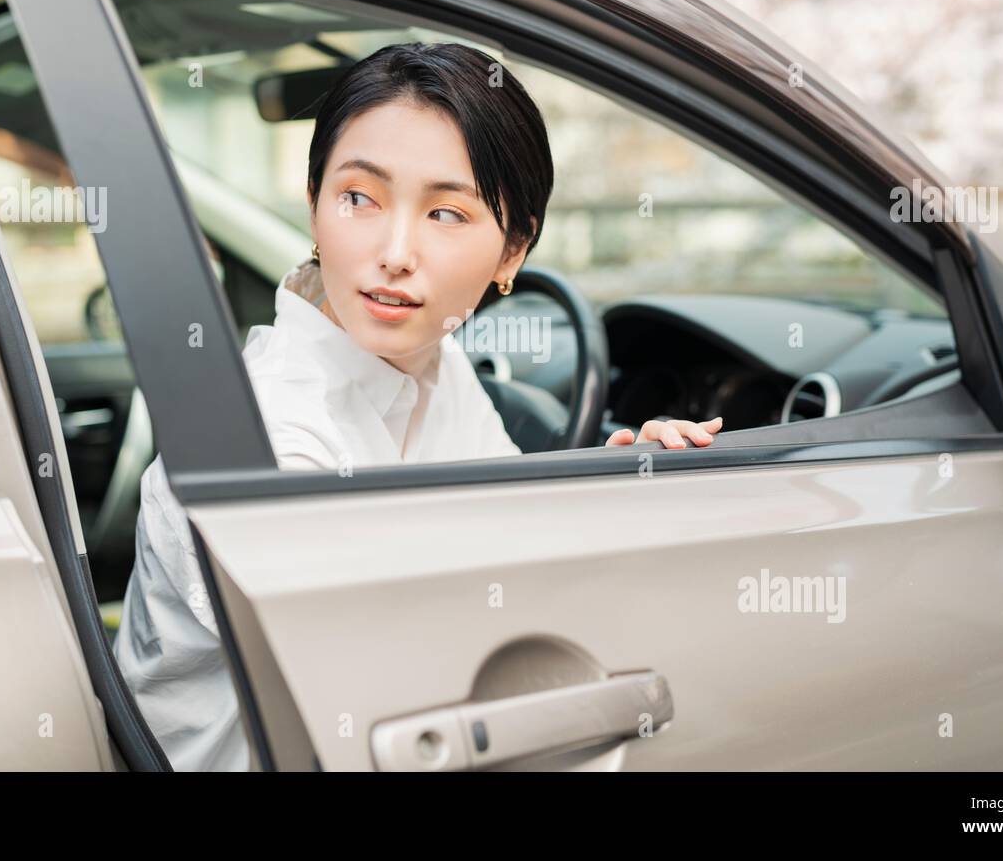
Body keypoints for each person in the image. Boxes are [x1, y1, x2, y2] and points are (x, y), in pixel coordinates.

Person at [114, 42, 724, 770]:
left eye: (444, 213)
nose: (395, 251)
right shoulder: (268, 436)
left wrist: (611, 485)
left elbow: (497, 537)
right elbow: (393, 698)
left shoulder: (431, 361)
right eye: (359, 199)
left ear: (512, 254)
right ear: (312, 204)